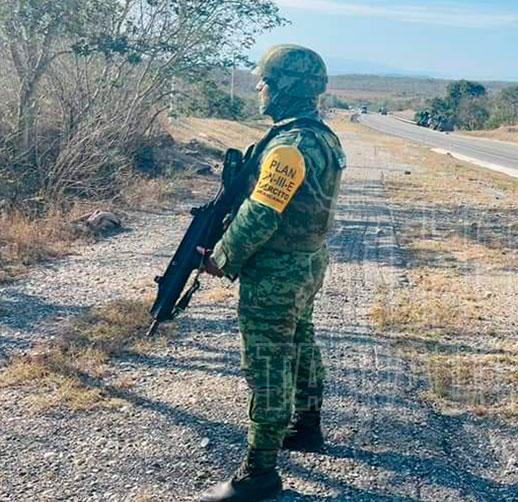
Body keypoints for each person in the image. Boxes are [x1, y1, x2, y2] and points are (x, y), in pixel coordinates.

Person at [197, 44, 347, 502]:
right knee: (301, 341)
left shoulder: (289, 146)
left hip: (277, 271)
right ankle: (307, 427)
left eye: (265, 80)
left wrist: (222, 257)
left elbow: (261, 213)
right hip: (307, 261)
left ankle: (258, 473)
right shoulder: (321, 136)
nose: (259, 88)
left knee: (267, 362)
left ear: (285, 87)